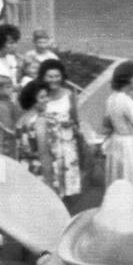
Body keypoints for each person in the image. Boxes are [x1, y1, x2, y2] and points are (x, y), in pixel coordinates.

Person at [37, 59, 84, 201]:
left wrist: (70, 123)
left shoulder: (69, 94)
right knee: (50, 172)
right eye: (50, 76)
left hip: (67, 141)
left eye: (57, 76)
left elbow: (75, 118)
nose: (54, 80)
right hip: (47, 142)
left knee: (66, 174)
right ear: (43, 77)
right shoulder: (40, 96)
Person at [101, 59, 133, 189]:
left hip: (117, 141)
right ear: (128, 79)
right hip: (131, 144)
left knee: (121, 176)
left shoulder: (111, 98)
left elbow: (106, 124)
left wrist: (119, 125)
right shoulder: (127, 102)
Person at [16, 79, 51, 180]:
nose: (47, 99)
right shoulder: (39, 121)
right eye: (42, 97)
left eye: (47, 96)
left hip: (24, 171)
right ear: (32, 100)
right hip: (39, 172)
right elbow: (43, 154)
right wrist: (49, 180)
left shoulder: (20, 121)